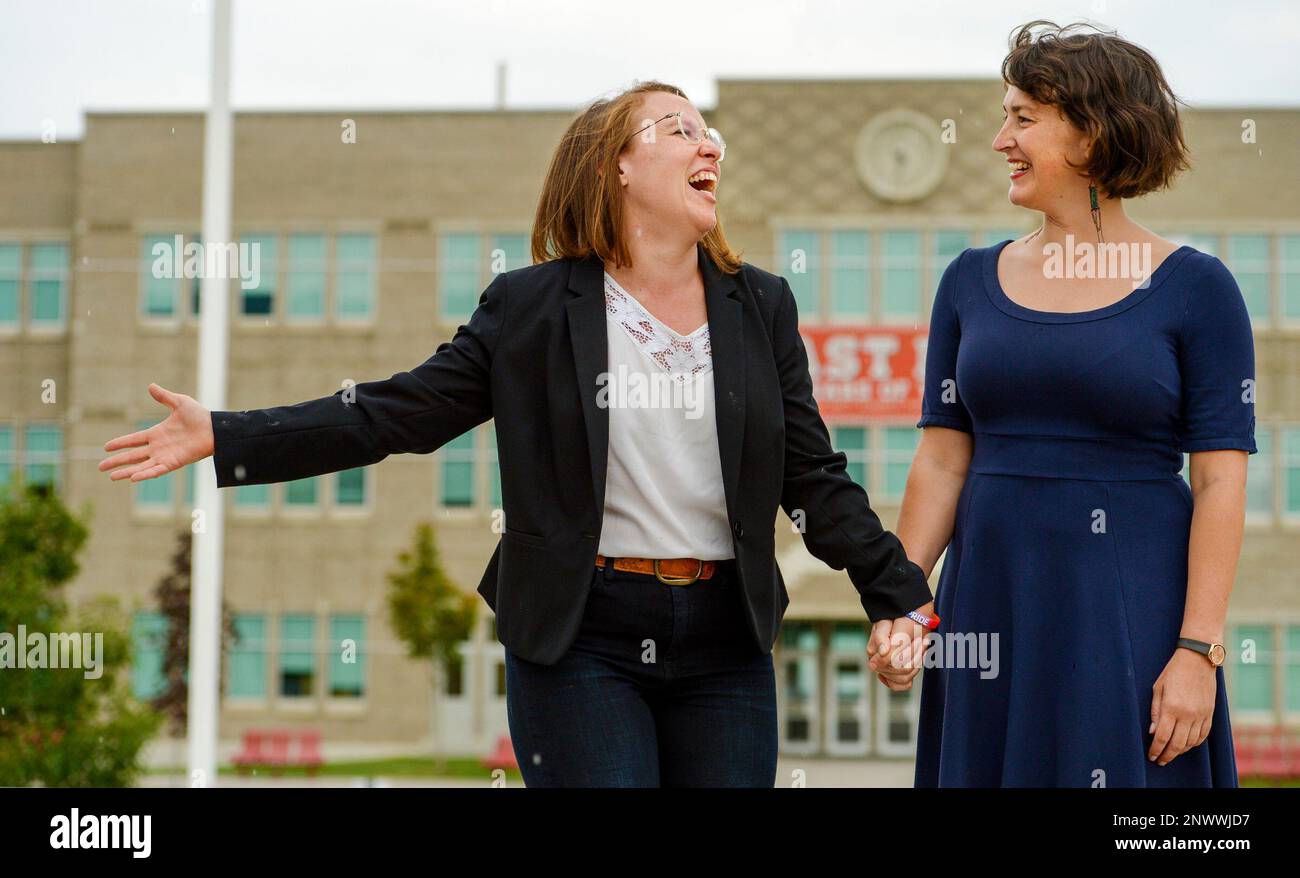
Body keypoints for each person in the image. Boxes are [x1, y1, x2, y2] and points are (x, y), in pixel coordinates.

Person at [100, 80, 933, 787]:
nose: (707, 145)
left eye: (709, 132)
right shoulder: (532, 308)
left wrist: (893, 588)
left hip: (725, 637)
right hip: (582, 635)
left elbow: (809, 472)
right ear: (618, 165)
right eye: (678, 129)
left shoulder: (760, 305)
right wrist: (229, 433)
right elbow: (400, 411)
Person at [876, 21, 1254, 787]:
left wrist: (1197, 651)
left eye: (1022, 118)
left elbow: (1220, 481)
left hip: (1132, 608)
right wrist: (905, 604)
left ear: (1094, 128)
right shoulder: (967, 280)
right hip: (990, 598)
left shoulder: (1198, 288)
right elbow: (944, 460)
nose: (998, 140)